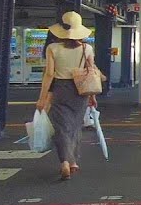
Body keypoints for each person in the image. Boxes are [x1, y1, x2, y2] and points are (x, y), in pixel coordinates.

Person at [35, 12, 96, 181]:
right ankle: (73, 161)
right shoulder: (87, 48)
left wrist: (42, 98)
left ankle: (65, 162)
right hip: (80, 90)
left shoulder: (52, 48)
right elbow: (91, 72)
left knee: (61, 127)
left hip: (61, 89)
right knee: (75, 125)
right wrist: (92, 95)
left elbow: (49, 74)